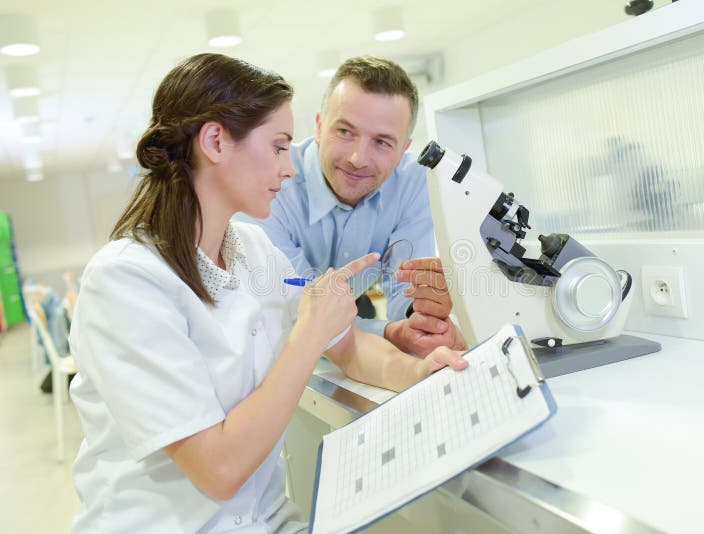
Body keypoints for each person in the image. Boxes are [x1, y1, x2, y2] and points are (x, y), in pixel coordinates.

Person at [68, 53, 467, 533]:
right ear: (215, 142)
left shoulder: (254, 250)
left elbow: (346, 345)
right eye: (279, 147)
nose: (291, 167)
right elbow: (219, 470)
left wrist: (420, 371)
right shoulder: (126, 281)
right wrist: (308, 333)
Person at [238, 56, 464, 357]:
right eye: (345, 132)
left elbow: (403, 288)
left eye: (382, 142)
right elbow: (298, 308)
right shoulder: (273, 182)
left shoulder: (414, 183)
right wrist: (387, 332)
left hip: (350, 348)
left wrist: (422, 319)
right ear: (319, 127)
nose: (358, 159)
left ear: (403, 150)